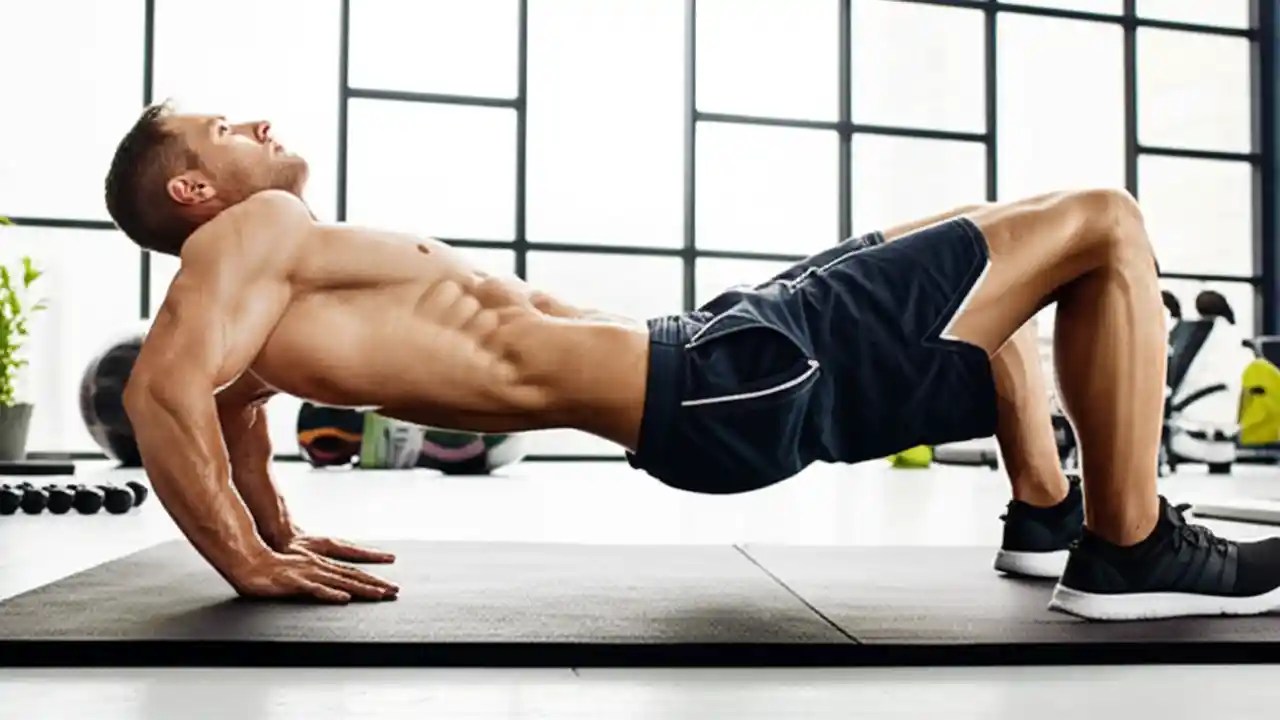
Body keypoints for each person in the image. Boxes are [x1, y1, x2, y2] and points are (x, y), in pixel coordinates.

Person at [103, 102, 1280, 621]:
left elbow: (235, 407)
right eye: (224, 130)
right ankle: (1128, 549)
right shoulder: (252, 237)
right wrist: (248, 564)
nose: (256, 122)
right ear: (196, 191)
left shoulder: (267, 304)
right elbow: (166, 392)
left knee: (977, 236)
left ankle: (1042, 519)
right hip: (719, 377)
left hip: (717, 358)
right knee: (1102, 222)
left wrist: (276, 528)